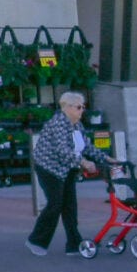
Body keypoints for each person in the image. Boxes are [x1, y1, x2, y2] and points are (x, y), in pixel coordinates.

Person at [28, 89, 96, 257]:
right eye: (79, 107)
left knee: (70, 207)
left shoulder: (77, 125)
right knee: (55, 204)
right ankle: (36, 240)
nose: (82, 110)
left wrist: (108, 159)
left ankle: (74, 244)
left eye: (83, 107)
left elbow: (86, 146)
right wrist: (83, 162)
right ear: (66, 107)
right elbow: (62, 150)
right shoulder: (58, 123)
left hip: (68, 170)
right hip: (50, 169)